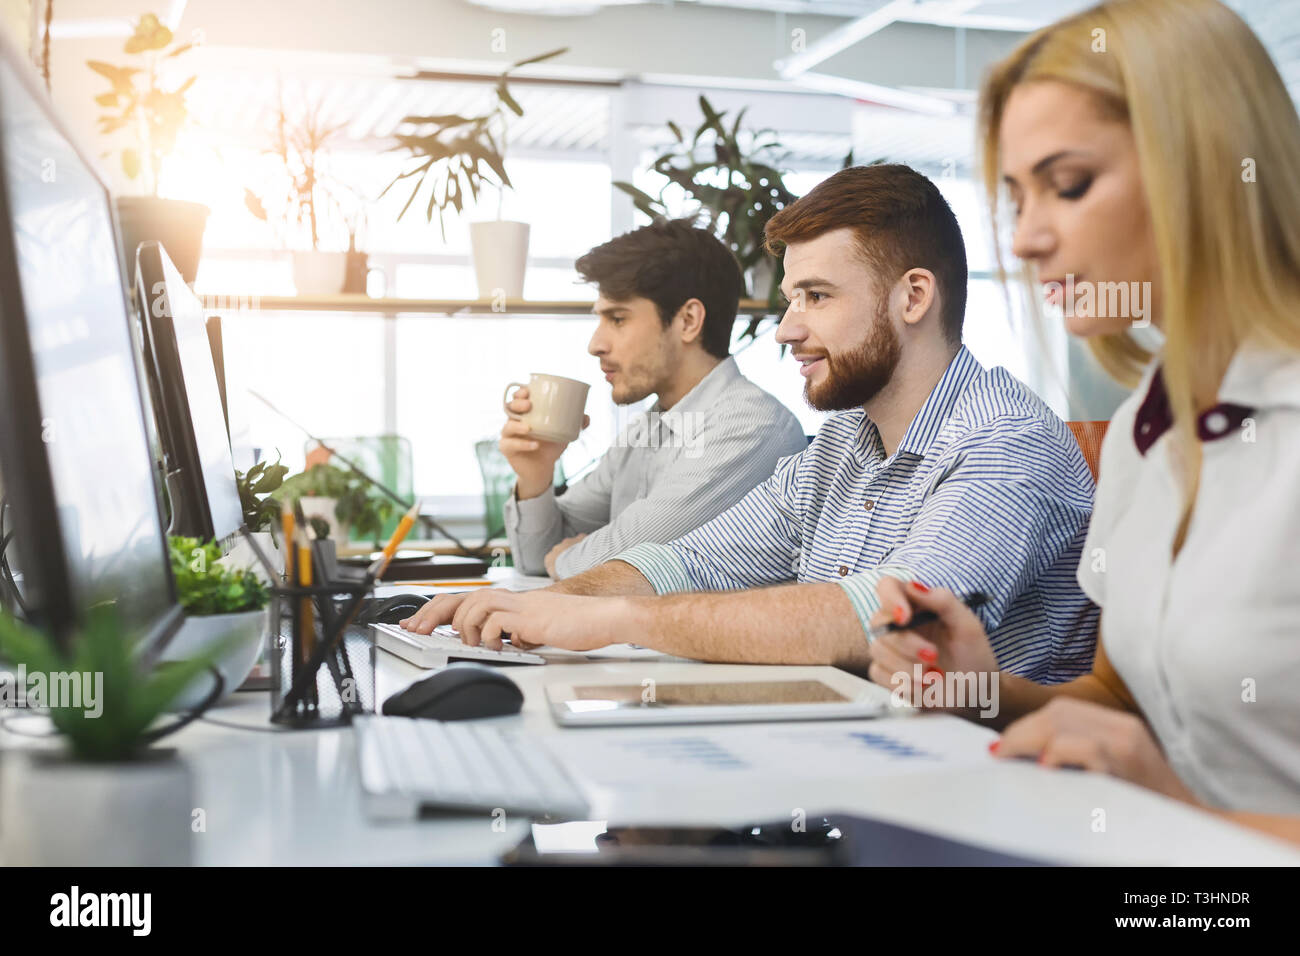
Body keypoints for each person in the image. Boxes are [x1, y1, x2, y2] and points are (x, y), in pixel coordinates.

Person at [863, 0, 1300, 841]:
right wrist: (975, 688)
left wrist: (1185, 816)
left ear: (1205, 165)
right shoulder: (1147, 428)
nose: (1024, 239)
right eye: (1016, 196)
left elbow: (1169, 783)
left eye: (1068, 186)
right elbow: (1122, 703)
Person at [402, 164, 1099, 681]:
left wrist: (602, 617)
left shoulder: (1007, 443)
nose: (786, 330)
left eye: (816, 297)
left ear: (914, 296)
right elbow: (691, 560)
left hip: (974, 796)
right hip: (859, 758)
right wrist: (543, 604)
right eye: (792, 298)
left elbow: (889, 619)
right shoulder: (840, 450)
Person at [501, 218, 806, 579]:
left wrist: (567, 559)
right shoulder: (648, 428)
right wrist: (536, 472)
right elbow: (536, 558)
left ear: (688, 321)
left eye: (617, 318)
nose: (595, 344)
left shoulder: (752, 428)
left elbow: (626, 562)